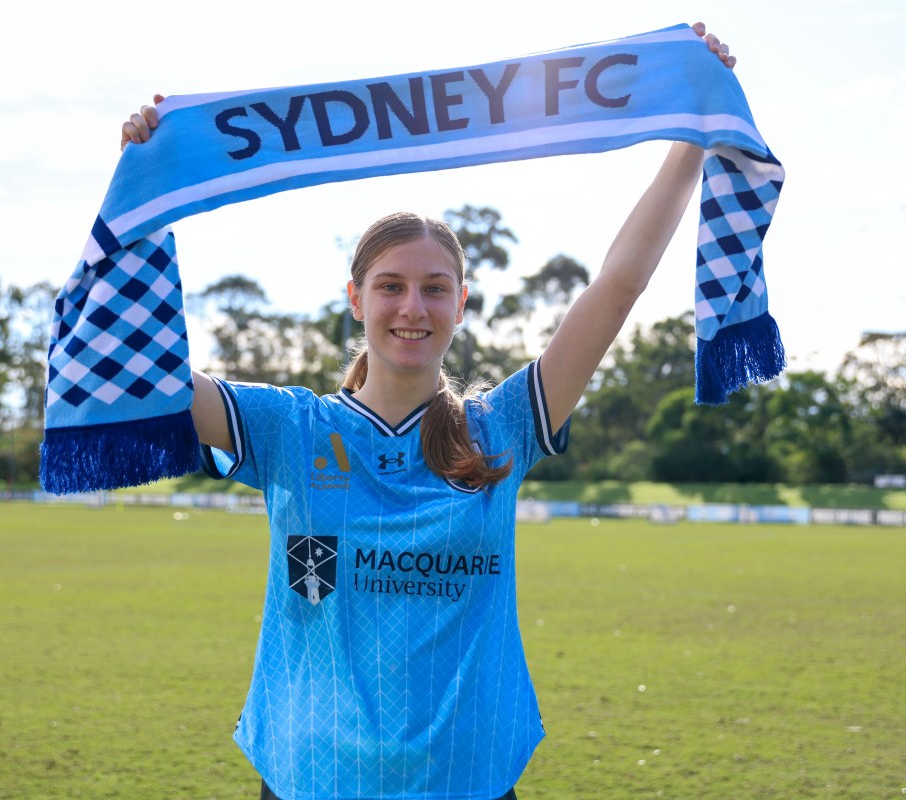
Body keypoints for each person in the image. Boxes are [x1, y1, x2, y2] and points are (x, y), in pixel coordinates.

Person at [120, 23, 736, 800]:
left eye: (434, 288)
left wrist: (692, 136)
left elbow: (618, 286)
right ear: (356, 299)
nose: (412, 307)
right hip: (314, 777)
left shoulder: (502, 428)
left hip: (465, 778)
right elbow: (153, 378)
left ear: (461, 303)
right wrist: (140, 194)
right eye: (391, 286)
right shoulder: (289, 430)